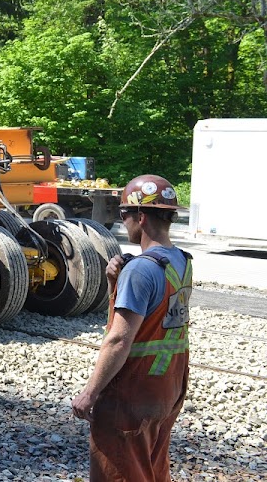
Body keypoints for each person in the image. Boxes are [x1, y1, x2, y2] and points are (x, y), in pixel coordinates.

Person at [71, 174, 192, 481]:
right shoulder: (181, 262)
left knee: (120, 470)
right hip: (167, 386)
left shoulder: (140, 270)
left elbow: (118, 340)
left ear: (141, 216)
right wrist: (115, 284)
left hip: (133, 390)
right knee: (150, 467)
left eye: (124, 215)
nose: (123, 222)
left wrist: (90, 393)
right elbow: (152, 321)